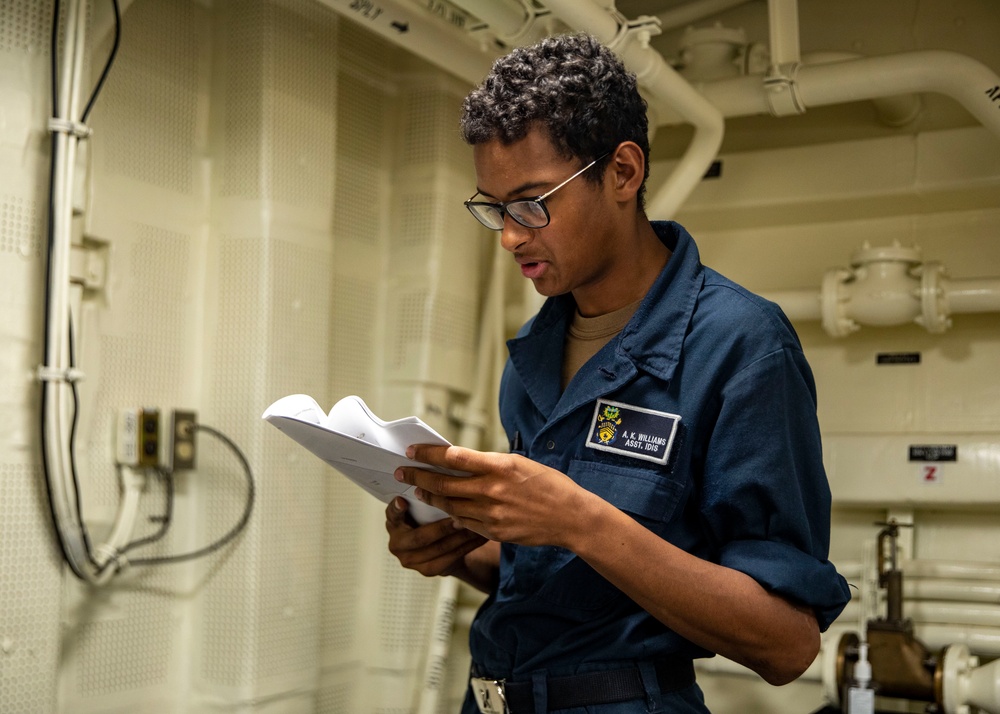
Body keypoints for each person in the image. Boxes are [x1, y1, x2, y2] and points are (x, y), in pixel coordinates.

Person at [385, 32, 850, 714]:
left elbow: (786, 644)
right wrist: (453, 548)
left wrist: (581, 520)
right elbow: (558, 587)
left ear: (623, 173)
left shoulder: (740, 346)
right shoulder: (536, 352)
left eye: (531, 202)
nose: (511, 235)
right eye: (494, 209)